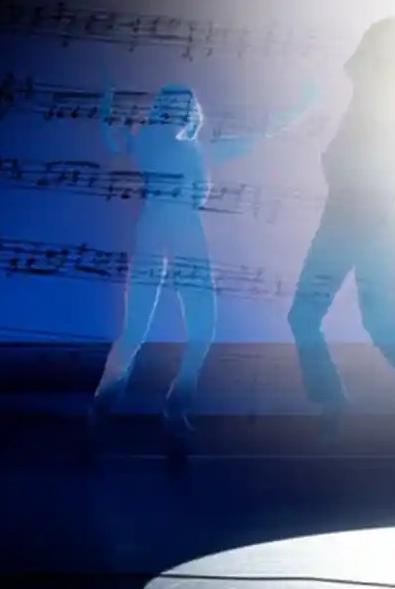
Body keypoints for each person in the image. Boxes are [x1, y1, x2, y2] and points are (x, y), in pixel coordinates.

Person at [88, 82, 313, 447]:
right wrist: (106, 110)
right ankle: (113, 410)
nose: (178, 112)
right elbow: (114, 141)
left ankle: (159, 409)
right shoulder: (157, 143)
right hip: (167, 230)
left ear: (190, 113)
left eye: (184, 107)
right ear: (165, 110)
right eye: (172, 106)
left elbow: (259, 133)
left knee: (191, 328)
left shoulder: (185, 147)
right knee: (141, 329)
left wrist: (299, 108)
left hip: (176, 231)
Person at [287, 17, 395, 425]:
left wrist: (337, 167)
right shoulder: (389, 105)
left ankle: (333, 401)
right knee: (377, 320)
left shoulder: (386, 108)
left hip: (354, 218)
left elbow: (351, 164)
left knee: (307, 315)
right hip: (370, 219)